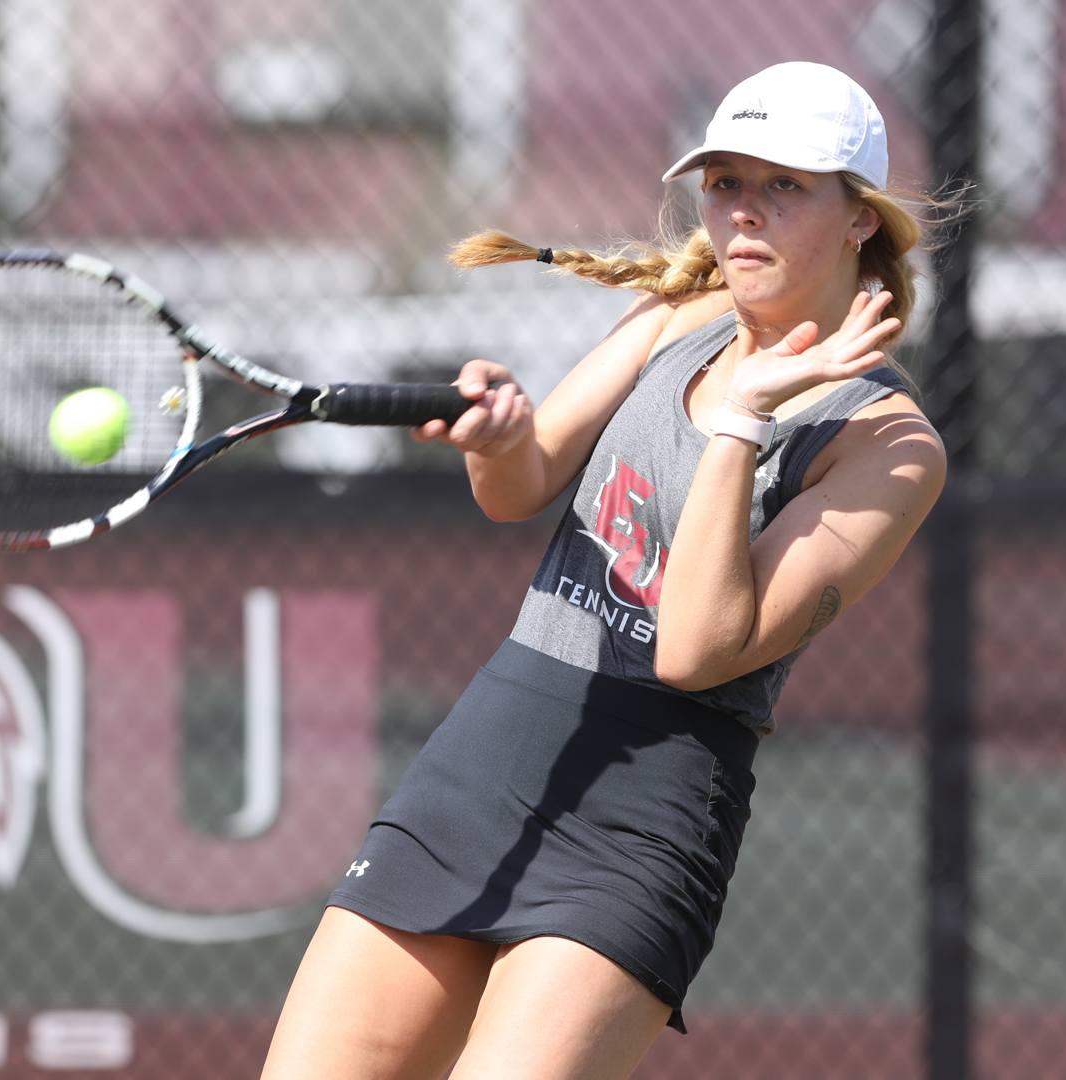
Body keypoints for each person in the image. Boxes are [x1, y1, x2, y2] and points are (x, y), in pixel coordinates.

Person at [261, 61, 947, 1080]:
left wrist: (742, 420)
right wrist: (496, 438)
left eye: (784, 188)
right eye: (724, 184)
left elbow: (696, 651)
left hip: (641, 820)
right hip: (485, 760)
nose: (743, 215)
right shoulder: (681, 318)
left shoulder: (890, 448)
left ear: (860, 219)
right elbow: (523, 481)